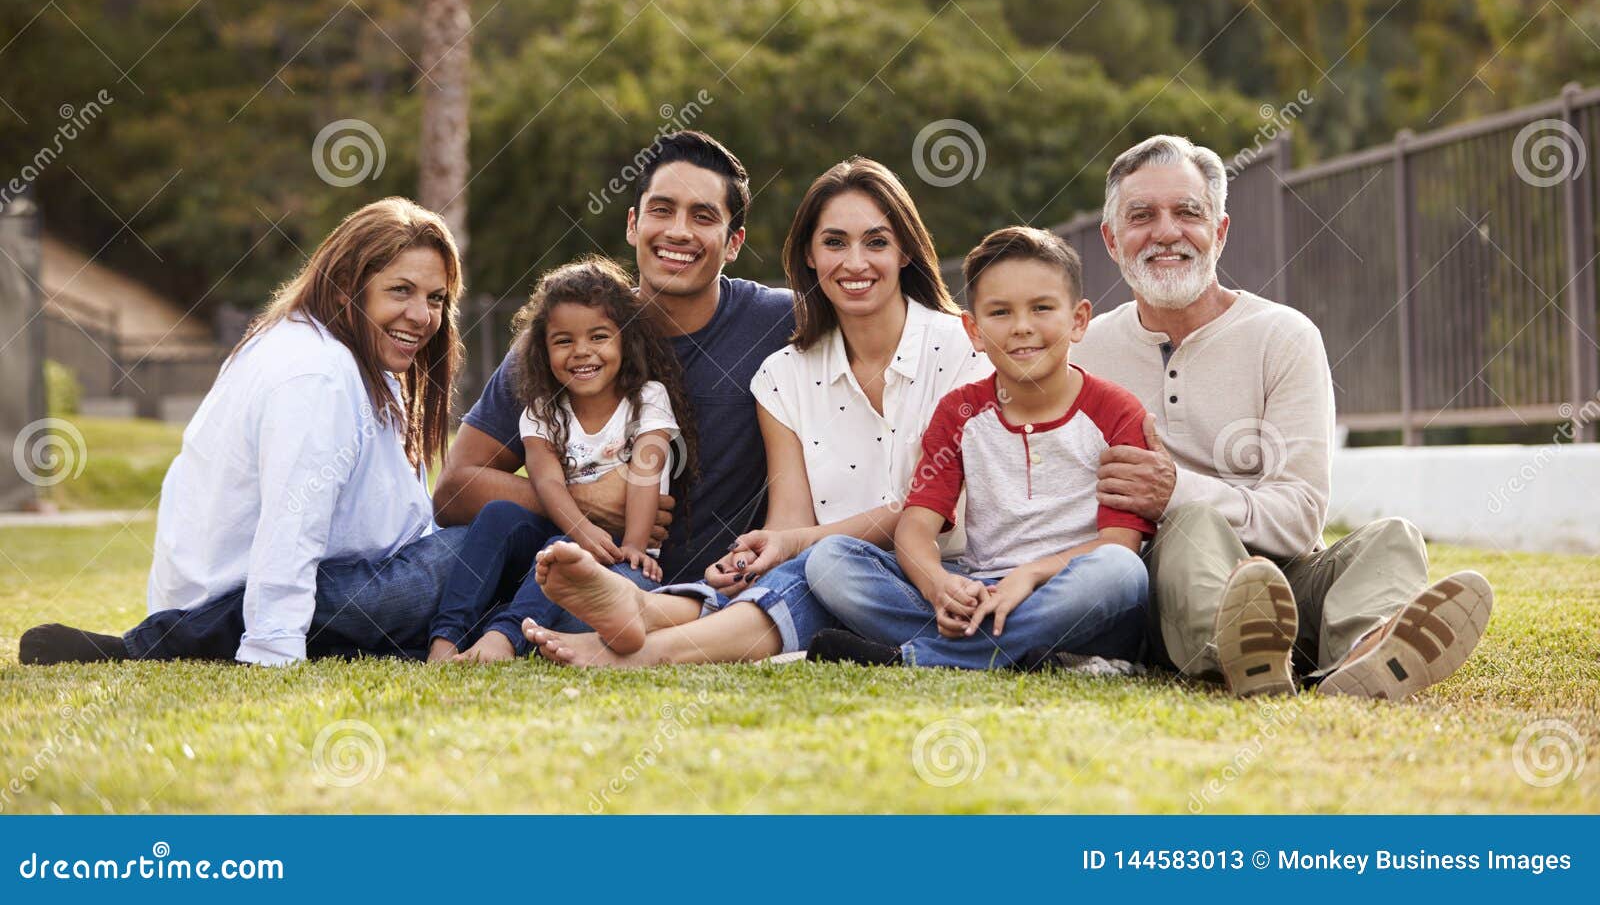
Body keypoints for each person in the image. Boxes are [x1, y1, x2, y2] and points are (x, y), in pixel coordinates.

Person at [524, 157, 990, 667]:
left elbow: (938, 508)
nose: (854, 262)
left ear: (905, 252)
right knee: (802, 571)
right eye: (834, 243)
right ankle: (642, 614)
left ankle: (646, 634)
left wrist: (797, 544)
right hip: (826, 570)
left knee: (824, 567)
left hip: (946, 571)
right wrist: (759, 552)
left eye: (876, 242)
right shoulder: (783, 374)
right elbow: (788, 518)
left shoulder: (962, 350)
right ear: (809, 257)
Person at [1075, 133, 1493, 699]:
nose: (1167, 232)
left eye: (1188, 213)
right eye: (1142, 215)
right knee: (1194, 526)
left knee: (1393, 538)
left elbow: (1299, 518)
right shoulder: (1082, 351)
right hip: (1166, 594)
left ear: (1219, 231)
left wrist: (1177, 488)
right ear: (1112, 239)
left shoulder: (1284, 336)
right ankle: (1239, 650)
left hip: (1289, 580)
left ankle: (1366, 655)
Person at [20, 198, 472, 666]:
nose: (422, 316)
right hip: (236, 599)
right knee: (479, 546)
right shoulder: (316, 372)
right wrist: (272, 647)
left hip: (282, 590)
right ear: (345, 289)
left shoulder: (347, 358)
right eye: (401, 290)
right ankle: (176, 641)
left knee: (480, 553)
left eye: (436, 298)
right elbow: (293, 521)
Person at [428, 132, 794, 654]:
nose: (678, 231)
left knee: (594, 582)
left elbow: (879, 304)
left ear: (734, 242)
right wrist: (584, 502)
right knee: (417, 579)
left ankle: (500, 636)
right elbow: (453, 491)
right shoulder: (569, 337)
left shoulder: (777, 321)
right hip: (528, 549)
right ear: (632, 223)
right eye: (661, 210)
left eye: (703, 216)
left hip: (650, 582)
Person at [804, 226, 1151, 669]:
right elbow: (915, 527)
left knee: (1120, 572)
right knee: (830, 559)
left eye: (1042, 308)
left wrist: (1028, 576)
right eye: (1001, 313)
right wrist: (938, 586)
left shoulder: (1117, 411)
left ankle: (923, 657)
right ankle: (1019, 653)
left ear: (1078, 319)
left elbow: (1120, 544)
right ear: (974, 330)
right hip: (980, 589)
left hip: (1070, 593)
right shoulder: (960, 412)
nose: (1022, 328)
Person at [427, 257, 698, 663]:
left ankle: (504, 637)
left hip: (621, 554)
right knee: (499, 515)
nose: (582, 352)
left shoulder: (646, 399)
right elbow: (548, 483)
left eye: (599, 336)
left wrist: (636, 545)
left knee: (564, 548)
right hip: (564, 530)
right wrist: (584, 529)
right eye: (564, 341)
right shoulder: (542, 410)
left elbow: (646, 472)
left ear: (625, 340)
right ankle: (444, 639)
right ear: (542, 349)